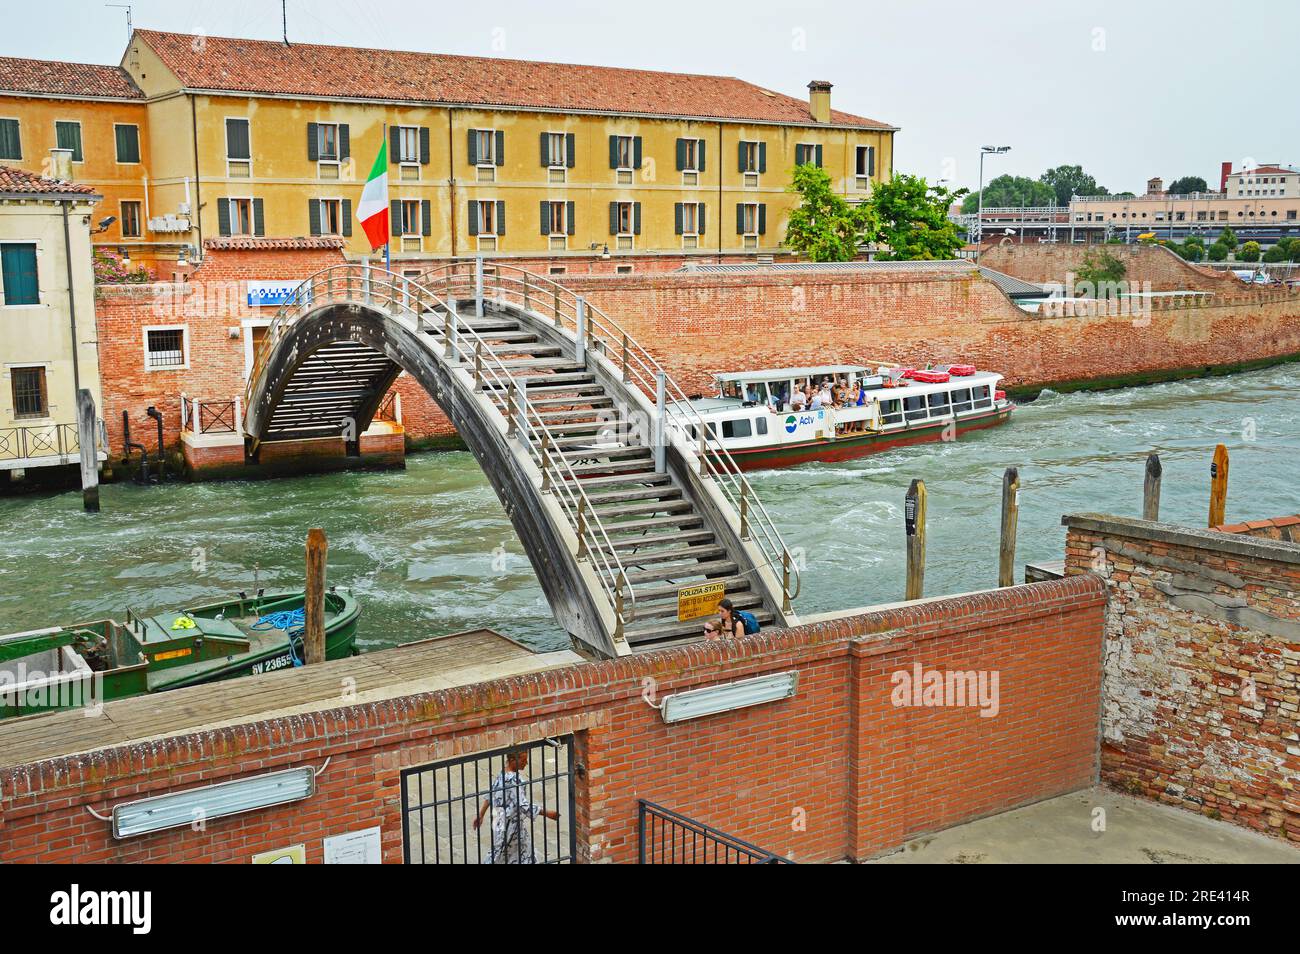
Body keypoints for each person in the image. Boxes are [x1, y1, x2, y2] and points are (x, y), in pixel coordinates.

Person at [472, 746, 560, 864]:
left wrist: (481, 814)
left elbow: (491, 793)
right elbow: (523, 805)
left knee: (523, 853)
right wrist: (547, 813)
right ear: (513, 760)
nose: (526, 763)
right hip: (510, 825)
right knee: (500, 855)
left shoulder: (502, 773)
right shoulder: (514, 779)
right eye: (523, 760)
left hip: (499, 821)